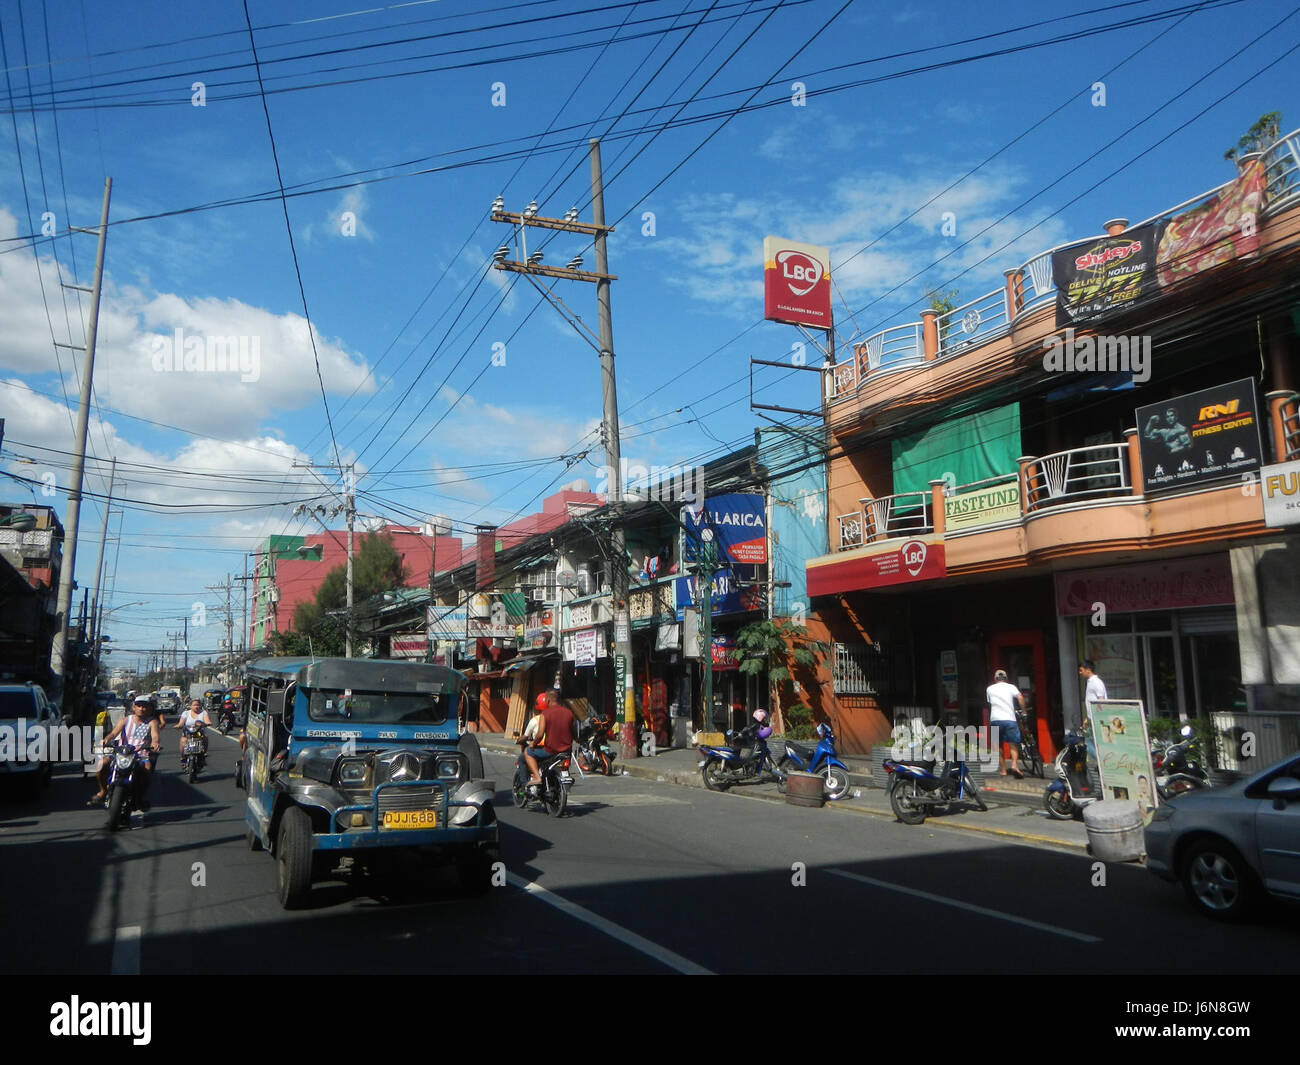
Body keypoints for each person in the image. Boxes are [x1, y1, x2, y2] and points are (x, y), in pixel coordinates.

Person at [89, 694, 160, 809]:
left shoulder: (152, 722)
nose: (141, 708)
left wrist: (155, 743)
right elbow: (113, 733)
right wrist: (106, 739)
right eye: (139, 706)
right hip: (121, 753)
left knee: (147, 769)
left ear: (149, 708)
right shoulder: (126, 720)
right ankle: (103, 791)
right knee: (100, 765)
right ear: (134, 707)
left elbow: (155, 736)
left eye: (144, 706)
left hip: (140, 755)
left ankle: (141, 797)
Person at [985, 669, 1026, 778]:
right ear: (1006, 678)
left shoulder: (989, 689)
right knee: (1013, 744)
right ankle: (1014, 765)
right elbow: (1020, 697)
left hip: (995, 719)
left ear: (995, 678)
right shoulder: (1011, 687)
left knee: (998, 745)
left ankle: (1003, 770)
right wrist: (1024, 711)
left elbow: (989, 703)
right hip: (1009, 719)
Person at [1079, 659, 1108, 725]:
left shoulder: (1096, 682)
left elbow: (1101, 700)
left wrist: (1097, 718)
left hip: (1098, 720)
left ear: (1088, 670)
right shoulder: (1090, 682)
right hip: (1092, 719)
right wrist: (1088, 718)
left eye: (1081, 670)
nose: (1080, 673)